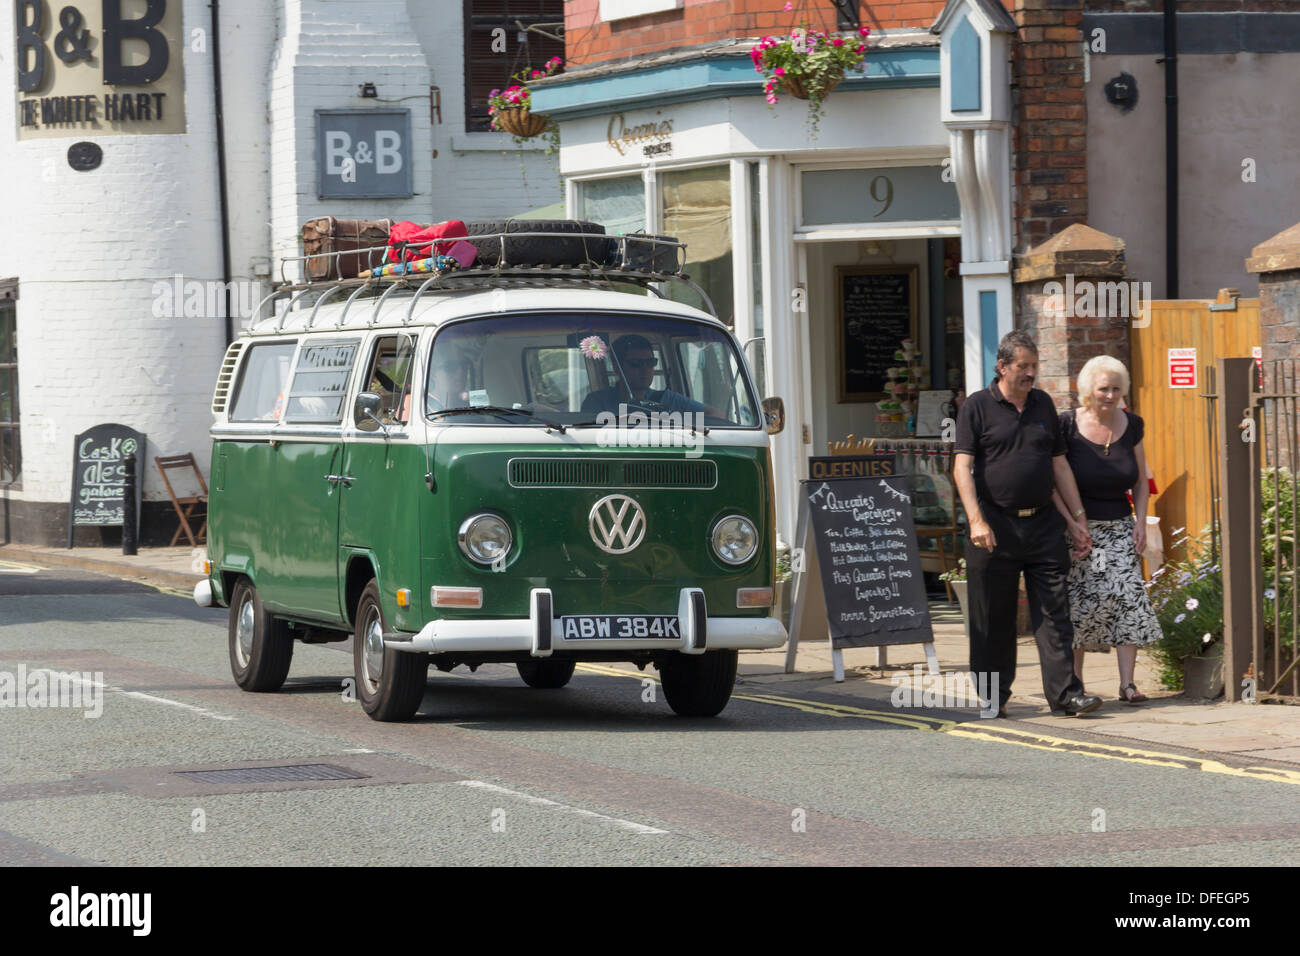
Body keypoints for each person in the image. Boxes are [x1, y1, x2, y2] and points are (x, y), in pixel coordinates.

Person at [953, 329, 1103, 718]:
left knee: (1056, 614)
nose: (1031, 373)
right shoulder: (976, 407)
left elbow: (1058, 464)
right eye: (1024, 366)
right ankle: (993, 697)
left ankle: (1066, 695)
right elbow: (962, 467)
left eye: (1034, 366)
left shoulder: (1043, 405)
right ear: (1002, 366)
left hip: (1043, 525)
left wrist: (1077, 519)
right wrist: (976, 521)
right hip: (993, 528)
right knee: (993, 618)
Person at [1052, 355, 1162, 704]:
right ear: (1089, 390)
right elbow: (1052, 479)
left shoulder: (1132, 425)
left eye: (1116, 389)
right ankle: (1076, 684)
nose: (1110, 395)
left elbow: (1142, 480)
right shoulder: (1066, 425)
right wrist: (1072, 522)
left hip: (1119, 525)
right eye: (1103, 389)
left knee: (1127, 597)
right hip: (1078, 529)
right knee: (1080, 602)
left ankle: (1127, 684)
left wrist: (1141, 521)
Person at [581, 334, 718, 418]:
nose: (645, 369)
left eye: (651, 362)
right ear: (617, 367)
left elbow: (716, 416)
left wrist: (683, 425)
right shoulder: (598, 402)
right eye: (636, 363)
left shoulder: (668, 400)